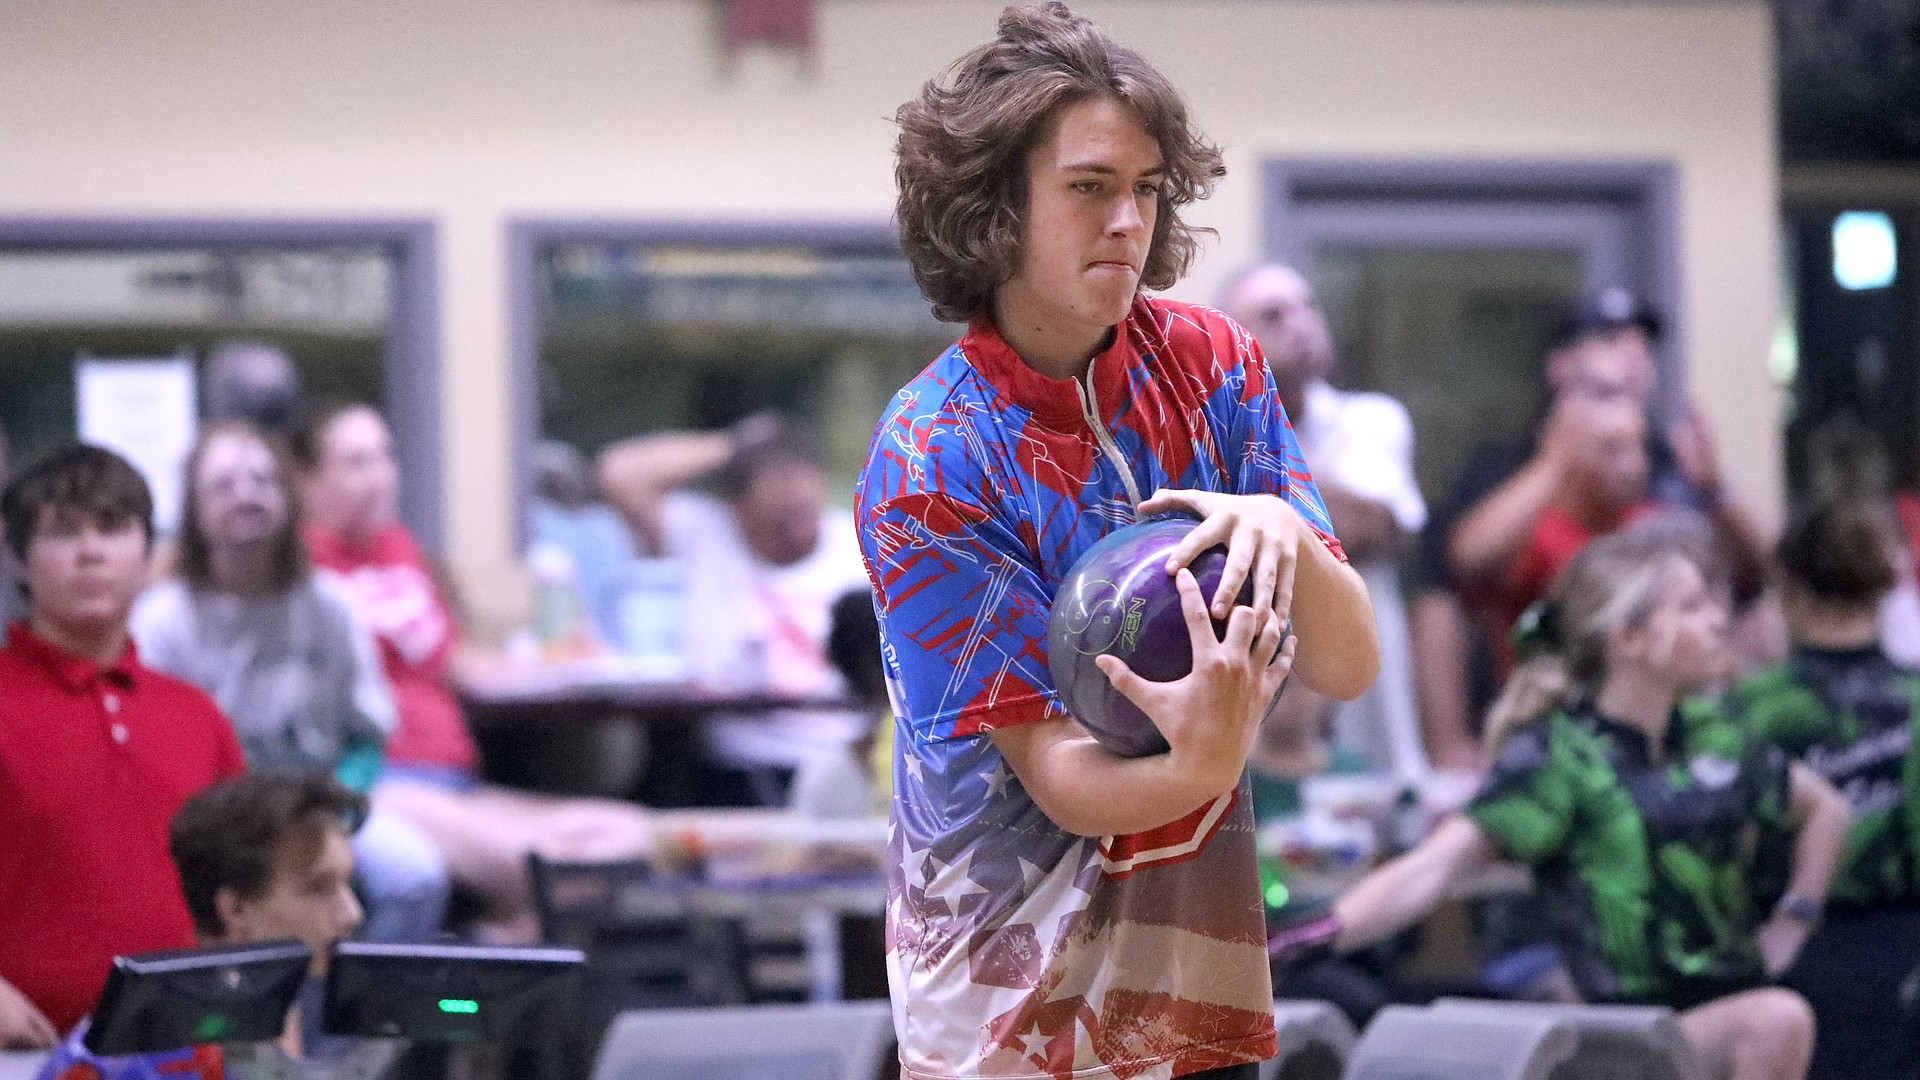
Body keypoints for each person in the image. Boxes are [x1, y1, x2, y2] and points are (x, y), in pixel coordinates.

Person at [859, 6, 1380, 1077]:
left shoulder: (1214, 365)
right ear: (995, 206)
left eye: (1146, 189)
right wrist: (1211, 753)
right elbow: (1060, 772)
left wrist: (1282, 525)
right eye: (1089, 187)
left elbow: (1349, 662)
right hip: (1005, 1001)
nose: (1127, 222)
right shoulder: (931, 457)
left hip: (1191, 984)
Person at [1271, 528, 1851, 1080]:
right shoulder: (1559, 755)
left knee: (1780, 1013)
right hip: (1615, 1036)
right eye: (1692, 607)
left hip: (1718, 1011)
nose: (1719, 621)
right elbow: (1433, 868)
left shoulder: (1715, 735)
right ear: (1630, 638)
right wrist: (1303, 939)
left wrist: (1793, 920)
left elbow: (1827, 810)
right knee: (1777, 1019)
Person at [291, 402, 654, 942]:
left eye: (386, 458)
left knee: (630, 836)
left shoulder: (400, 549)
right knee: (542, 867)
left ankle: (497, 944)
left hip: (455, 780)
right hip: (379, 779)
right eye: (355, 463)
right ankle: (491, 959)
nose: (379, 477)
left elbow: (459, 664)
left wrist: (564, 659)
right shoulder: (299, 566)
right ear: (307, 482)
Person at [130, 420, 450, 943]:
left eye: (261, 481)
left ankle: (347, 1020)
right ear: (193, 509)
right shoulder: (163, 619)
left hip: (320, 810)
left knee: (414, 877)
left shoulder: (330, 604)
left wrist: (333, 820)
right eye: (223, 485)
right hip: (211, 822)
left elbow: (368, 734)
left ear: (288, 497)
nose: (246, 496)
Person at [0, 446, 247, 1046]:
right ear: (17, 559)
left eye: (111, 528)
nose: (90, 551)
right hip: (26, 1051)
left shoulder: (197, 715)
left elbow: (251, 885)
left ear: (147, 556)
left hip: (187, 1047)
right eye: (62, 532)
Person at [35, 772, 399, 1080]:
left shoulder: (280, 1009)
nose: (352, 914)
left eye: (348, 885)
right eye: (318, 889)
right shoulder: (150, 1050)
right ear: (236, 909)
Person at [1730, 500, 1920, 1080]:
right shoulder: (1914, 700)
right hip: (1905, 950)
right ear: (1888, 581)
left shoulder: (1743, 709)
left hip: (1782, 948)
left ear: (1783, 586)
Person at [597, 413, 870, 805]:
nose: (798, 514)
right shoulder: (706, 535)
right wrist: (739, 443)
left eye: (806, 501)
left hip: (848, 760)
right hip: (741, 770)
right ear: (739, 507)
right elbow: (620, 473)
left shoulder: (860, 545)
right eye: (781, 505)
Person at [1224, 263, 1428, 780]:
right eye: (1274, 314)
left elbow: (1367, 527)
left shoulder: (1370, 419)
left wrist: (1243, 457)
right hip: (1250, 703)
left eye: (1306, 305)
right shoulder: (1212, 428)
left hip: (1362, 696)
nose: (1301, 322)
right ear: (1230, 340)